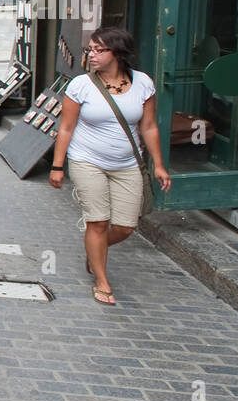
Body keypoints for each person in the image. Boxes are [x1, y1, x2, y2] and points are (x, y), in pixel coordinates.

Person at [48, 27, 171, 305]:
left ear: (118, 53)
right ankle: (102, 280)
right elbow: (66, 128)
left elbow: (149, 127)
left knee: (126, 226)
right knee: (98, 221)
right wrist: (57, 166)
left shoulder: (142, 83)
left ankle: (94, 250)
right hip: (87, 160)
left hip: (128, 163)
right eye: (90, 49)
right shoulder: (81, 85)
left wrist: (159, 165)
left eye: (99, 50)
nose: (92, 55)